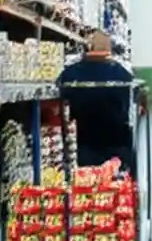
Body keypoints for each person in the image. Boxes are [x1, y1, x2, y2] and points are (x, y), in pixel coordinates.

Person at [57, 31, 136, 173]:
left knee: (88, 184)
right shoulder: (123, 73)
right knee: (118, 182)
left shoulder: (70, 73)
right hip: (118, 142)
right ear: (109, 49)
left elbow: (61, 98)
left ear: (88, 47)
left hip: (85, 142)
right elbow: (129, 107)